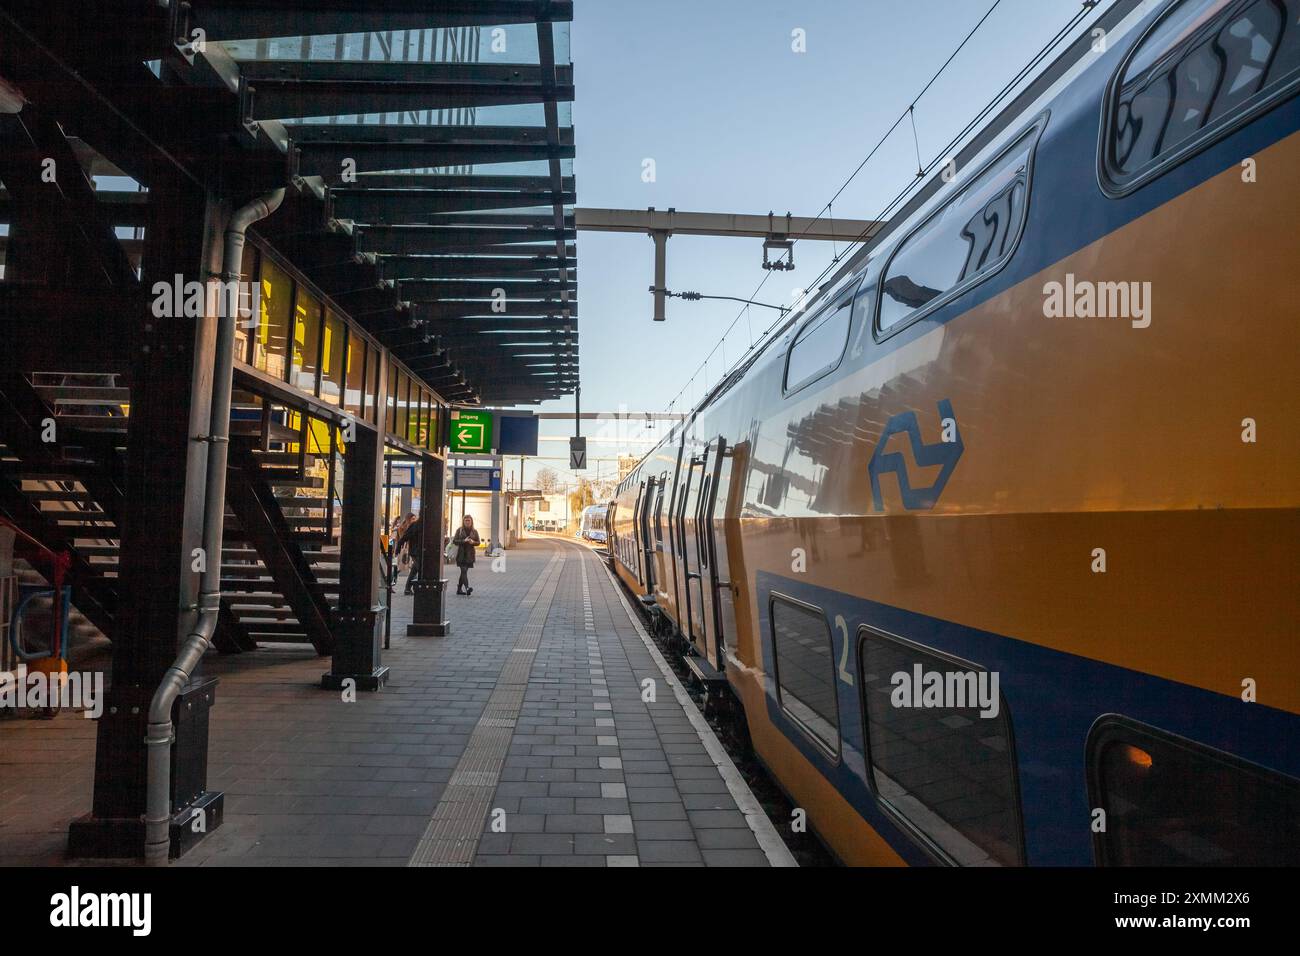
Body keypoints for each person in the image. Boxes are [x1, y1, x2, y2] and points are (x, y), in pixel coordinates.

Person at [452, 514, 481, 596]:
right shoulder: (459, 530)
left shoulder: (474, 531)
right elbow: (455, 541)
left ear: (471, 522)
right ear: (463, 521)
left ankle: (459, 589)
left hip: (469, 555)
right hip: (461, 554)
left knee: (463, 573)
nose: (467, 522)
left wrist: (473, 542)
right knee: (463, 571)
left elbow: (478, 542)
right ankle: (467, 588)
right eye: (466, 520)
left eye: (469, 520)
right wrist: (463, 541)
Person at [395, 515, 423, 595]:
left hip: (418, 551)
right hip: (415, 552)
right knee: (420, 568)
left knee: (414, 570)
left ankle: (407, 589)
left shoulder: (421, 525)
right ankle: (417, 588)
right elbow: (405, 537)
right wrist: (398, 548)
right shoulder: (415, 525)